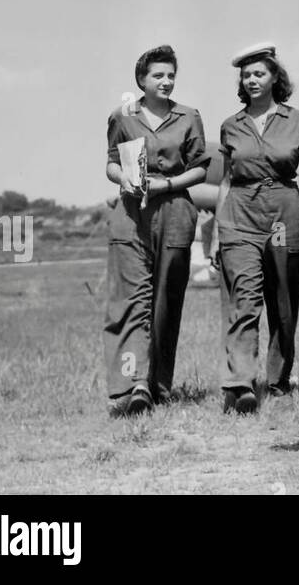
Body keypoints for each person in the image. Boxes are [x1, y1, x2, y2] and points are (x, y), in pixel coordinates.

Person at [104, 45, 209, 416]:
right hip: (132, 213)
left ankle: (158, 385)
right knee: (132, 301)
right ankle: (134, 383)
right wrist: (126, 180)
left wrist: (166, 185)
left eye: (170, 75)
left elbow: (200, 168)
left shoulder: (189, 117)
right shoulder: (123, 116)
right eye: (157, 75)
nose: (166, 81)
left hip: (176, 209)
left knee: (165, 301)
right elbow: (112, 163)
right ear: (141, 81)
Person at [214, 43, 299, 414]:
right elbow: (226, 180)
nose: (252, 80)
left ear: (276, 76)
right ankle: (240, 382)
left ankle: (277, 379)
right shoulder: (231, 125)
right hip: (240, 214)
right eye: (246, 75)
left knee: (283, 303)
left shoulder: (298, 119)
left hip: (284, 211)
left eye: (259, 73)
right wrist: (216, 231)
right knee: (244, 299)